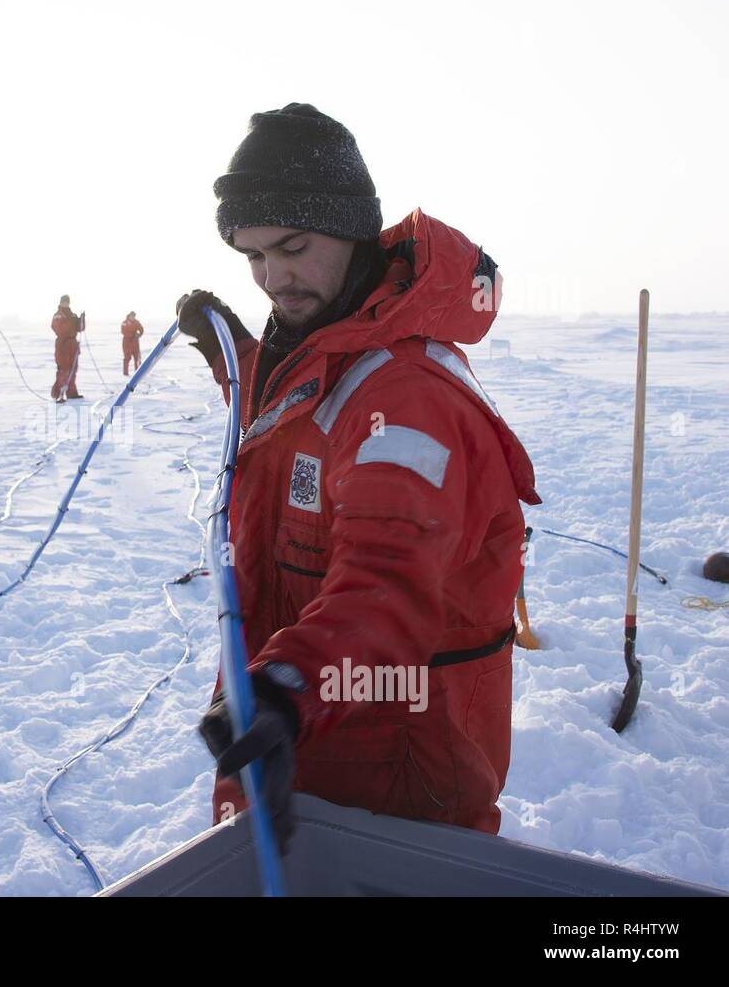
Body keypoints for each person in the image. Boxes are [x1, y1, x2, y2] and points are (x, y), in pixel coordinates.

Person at [181, 103, 540, 848]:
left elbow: (388, 587)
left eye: (293, 246)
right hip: (310, 768)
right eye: (252, 256)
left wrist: (284, 688)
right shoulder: (324, 345)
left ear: (349, 226)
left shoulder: (407, 399)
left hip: (394, 795)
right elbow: (292, 416)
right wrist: (230, 354)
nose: (274, 278)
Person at [50, 295, 85, 402]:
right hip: (63, 344)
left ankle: (71, 393)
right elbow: (56, 328)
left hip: (72, 344)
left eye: (67, 302)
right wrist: (71, 322)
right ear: (60, 302)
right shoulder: (58, 315)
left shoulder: (72, 315)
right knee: (63, 370)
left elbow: (80, 328)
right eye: (64, 302)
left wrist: (81, 320)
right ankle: (58, 394)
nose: (65, 303)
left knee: (73, 369)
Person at [120, 311, 144, 375]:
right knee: (127, 358)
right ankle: (125, 373)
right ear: (129, 316)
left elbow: (141, 329)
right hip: (127, 343)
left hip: (135, 343)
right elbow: (123, 331)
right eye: (132, 316)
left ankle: (137, 373)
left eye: (134, 316)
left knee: (136, 358)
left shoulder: (136, 322)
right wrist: (132, 335)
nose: (133, 317)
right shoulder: (124, 323)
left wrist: (139, 334)